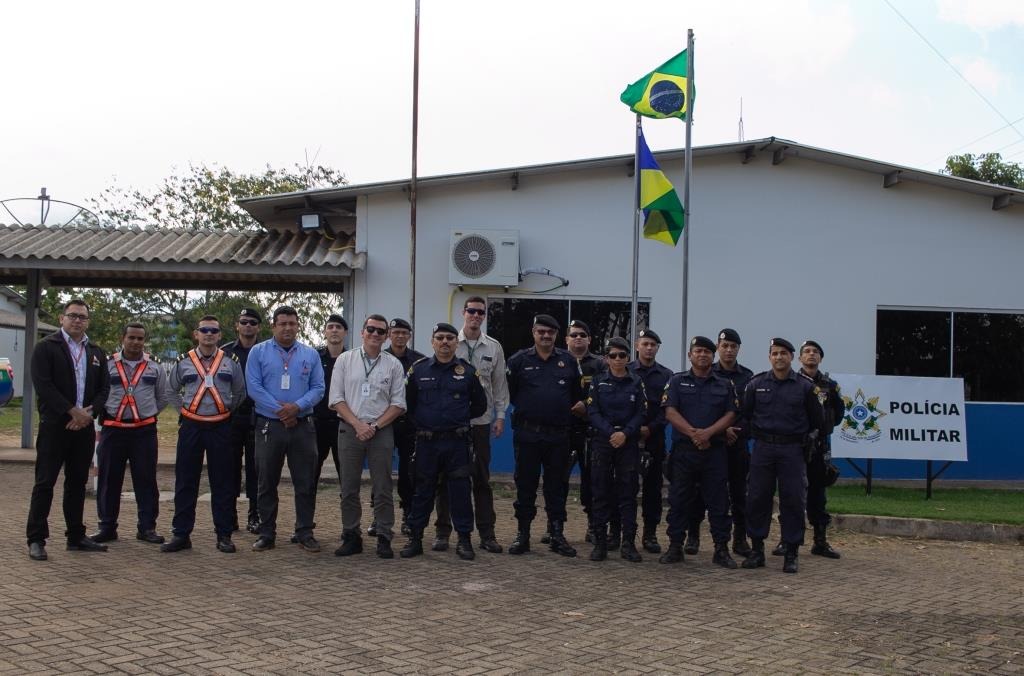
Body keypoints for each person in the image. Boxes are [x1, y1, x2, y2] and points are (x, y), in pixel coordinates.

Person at [25, 299, 111, 561]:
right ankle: (36, 539)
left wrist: (88, 413)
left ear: (88, 321)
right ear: (62, 318)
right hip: (55, 427)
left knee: (76, 483)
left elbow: (104, 389)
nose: (77, 320)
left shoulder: (96, 352)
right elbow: (44, 385)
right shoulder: (46, 347)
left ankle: (75, 536)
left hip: (83, 428)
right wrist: (71, 411)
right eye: (72, 315)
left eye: (82, 317)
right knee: (45, 482)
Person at [400, 322, 488, 560]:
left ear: (456, 343)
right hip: (427, 443)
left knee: (460, 491)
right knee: (423, 491)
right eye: (440, 338)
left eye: (450, 338)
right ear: (432, 342)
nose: (445, 342)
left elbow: (481, 405)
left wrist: (456, 419)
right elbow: (408, 405)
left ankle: (464, 541)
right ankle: (415, 538)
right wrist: (424, 424)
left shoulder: (468, 372)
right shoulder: (418, 370)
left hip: (457, 443)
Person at [740, 338, 825, 574]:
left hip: (792, 450)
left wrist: (810, 441)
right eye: (775, 353)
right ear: (769, 357)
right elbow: (745, 415)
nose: (779, 357)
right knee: (757, 498)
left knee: (793, 500)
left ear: (791, 357)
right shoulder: (756, 384)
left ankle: (791, 552)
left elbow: (818, 421)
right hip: (763, 449)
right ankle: (757, 550)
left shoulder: (805, 387)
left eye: (784, 353)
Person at [163, 315, 246, 554]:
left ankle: (224, 535)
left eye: (213, 331)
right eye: (204, 330)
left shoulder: (231, 362)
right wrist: (185, 412)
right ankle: (181, 534)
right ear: (196, 334)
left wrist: (225, 411)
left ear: (220, 335)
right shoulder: (184, 362)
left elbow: (240, 392)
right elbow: (171, 391)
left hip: (221, 427)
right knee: (186, 480)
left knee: (222, 482)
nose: (209, 334)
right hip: (192, 427)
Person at [245, 306, 326, 553]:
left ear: (298, 326)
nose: (288, 328)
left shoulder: (310, 354)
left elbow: (319, 388)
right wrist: (281, 411)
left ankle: (304, 532)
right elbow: (254, 388)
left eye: (292, 323)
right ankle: (267, 532)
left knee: (305, 482)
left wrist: (297, 408)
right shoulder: (258, 352)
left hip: (302, 426)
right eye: (283, 323)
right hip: (269, 425)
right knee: (266, 481)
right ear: (273, 326)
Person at [329, 314, 407, 559]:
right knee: (349, 487)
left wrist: (373, 426)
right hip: (349, 430)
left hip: (381, 431)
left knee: (383, 487)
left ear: (386, 337)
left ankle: (384, 536)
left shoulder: (393, 364)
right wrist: (357, 424)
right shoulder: (345, 359)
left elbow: (398, 404)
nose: (375, 334)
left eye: (380, 332)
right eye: (370, 329)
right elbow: (336, 399)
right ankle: (351, 535)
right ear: (362, 332)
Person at [505, 314, 583, 557]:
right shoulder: (518, 361)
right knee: (525, 485)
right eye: (541, 332)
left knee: (557, 487)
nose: (546, 336)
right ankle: (523, 535)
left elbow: (575, 395)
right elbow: (512, 394)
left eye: (550, 332)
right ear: (533, 333)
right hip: (528, 434)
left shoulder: (568, 361)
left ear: (557, 335)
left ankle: (557, 534)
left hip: (558, 436)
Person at [659, 336, 739, 569]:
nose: (703, 355)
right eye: (698, 351)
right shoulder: (676, 381)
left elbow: (731, 414)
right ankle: (675, 546)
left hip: (714, 452)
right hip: (684, 452)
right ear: (690, 355)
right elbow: (670, 412)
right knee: (679, 500)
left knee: (718, 502)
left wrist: (709, 433)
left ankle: (721, 549)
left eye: (707, 351)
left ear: (713, 356)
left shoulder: (724, 384)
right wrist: (695, 434)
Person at [437, 297, 508, 554]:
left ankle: (487, 534)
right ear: (463, 313)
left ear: (484, 316)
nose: (476, 316)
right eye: (471, 311)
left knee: (481, 479)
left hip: (480, 422)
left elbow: (500, 385)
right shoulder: (449, 342)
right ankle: (443, 533)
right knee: (446, 478)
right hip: (450, 422)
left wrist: (500, 416)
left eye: (481, 312)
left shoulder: (494, 347)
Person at [92, 322, 173, 545]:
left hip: (143, 433)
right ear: (123, 338)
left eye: (140, 338)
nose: (136, 342)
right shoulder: (107, 366)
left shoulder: (154, 367)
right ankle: (107, 527)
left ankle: (146, 528)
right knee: (109, 480)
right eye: (132, 338)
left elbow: (163, 396)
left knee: (146, 480)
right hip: (113, 430)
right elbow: (98, 392)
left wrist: (147, 412)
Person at [770, 339, 844, 560]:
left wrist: (821, 431)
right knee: (789, 493)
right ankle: (786, 539)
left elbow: (838, 414)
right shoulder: (792, 382)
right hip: (795, 446)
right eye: (807, 352)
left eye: (815, 352)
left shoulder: (830, 386)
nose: (811, 355)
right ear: (799, 358)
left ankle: (820, 541)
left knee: (818, 494)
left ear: (820, 358)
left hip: (819, 447)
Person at [688, 328, 755, 557]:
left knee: (739, 493)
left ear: (738, 349)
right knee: (699, 493)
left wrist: (738, 430)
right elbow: (699, 410)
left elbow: (749, 412)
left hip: (737, 445)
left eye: (733, 347)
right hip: (711, 445)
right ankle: (693, 536)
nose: (728, 350)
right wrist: (721, 430)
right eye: (724, 346)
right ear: (718, 348)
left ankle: (739, 539)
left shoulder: (748, 377)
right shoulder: (707, 373)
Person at [586, 337, 646, 562]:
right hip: (604, 441)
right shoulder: (598, 381)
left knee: (628, 494)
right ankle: (600, 543)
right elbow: (593, 412)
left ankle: (628, 544)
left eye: (622, 355)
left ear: (628, 358)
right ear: (606, 359)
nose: (618, 359)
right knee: (601, 492)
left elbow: (641, 412)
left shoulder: (636, 382)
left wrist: (625, 433)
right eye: (613, 356)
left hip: (627, 442)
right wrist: (611, 433)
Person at [627, 328, 673, 554]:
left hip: (654, 440)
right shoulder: (624, 370)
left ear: (657, 348)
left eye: (653, 345)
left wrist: (650, 428)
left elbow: (668, 410)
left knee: (653, 491)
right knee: (625, 487)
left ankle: (650, 533)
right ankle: (623, 532)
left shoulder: (666, 375)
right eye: (645, 344)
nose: (648, 348)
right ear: (637, 346)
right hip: (627, 440)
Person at [557, 319, 602, 546]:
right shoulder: (556, 362)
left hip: (589, 430)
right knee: (558, 480)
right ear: (566, 339)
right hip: (562, 430)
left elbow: (606, 394)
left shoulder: (599, 365)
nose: (578, 338)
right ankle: (554, 527)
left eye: (582, 335)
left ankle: (593, 526)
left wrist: (587, 405)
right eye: (573, 335)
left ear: (589, 340)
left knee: (591, 481)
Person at [383, 317, 426, 538]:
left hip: (410, 425)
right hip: (384, 423)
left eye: (404, 333)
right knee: (381, 471)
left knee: (410, 473)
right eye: (396, 332)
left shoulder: (419, 362)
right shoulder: (378, 359)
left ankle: (408, 515)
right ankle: (378, 517)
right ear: (389, 335)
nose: (400, 336)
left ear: (409, 336)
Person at [221, 307, 261, 534]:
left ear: (259, 327)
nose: (248, 326)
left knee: (256, 471)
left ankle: (254, 516)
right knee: (230, 469)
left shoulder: (266, 350)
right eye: (244, 321)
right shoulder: (224, 352)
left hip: (257, 417)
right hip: (230, 418)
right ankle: (230, 515)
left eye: (253, 322)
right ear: (237, 325)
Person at [312, 313, 348, 526]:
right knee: (310, 477)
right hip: (316, 424)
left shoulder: (353, 358)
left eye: (339, 327)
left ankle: (348, 526)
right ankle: (305, 524)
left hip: (343, 425)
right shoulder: (314, 357)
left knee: (347, 479)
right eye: (330, 326)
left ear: (345, 332)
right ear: (325, 332)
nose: (334, 330)